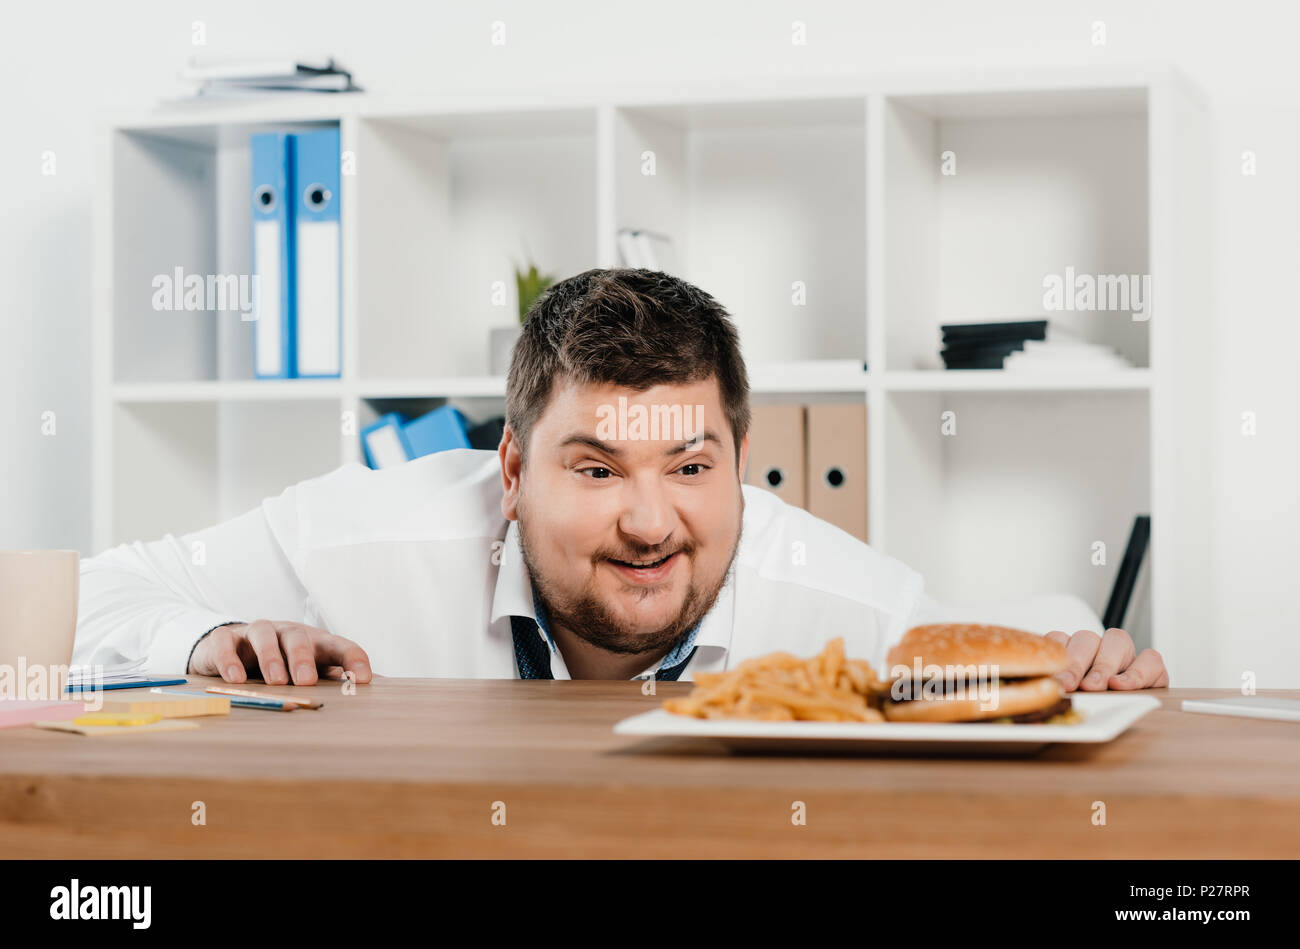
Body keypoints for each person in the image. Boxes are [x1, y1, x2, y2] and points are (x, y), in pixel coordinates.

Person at [73, 269, 1168, 691]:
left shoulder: (856, 611)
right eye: (596, 467)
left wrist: (1089, 674)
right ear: (511, 470)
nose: (652, 523)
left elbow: (1006, 694)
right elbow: (70, 604)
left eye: (692, 466)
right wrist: (200, 640)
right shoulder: (354, 536)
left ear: (741, 462)